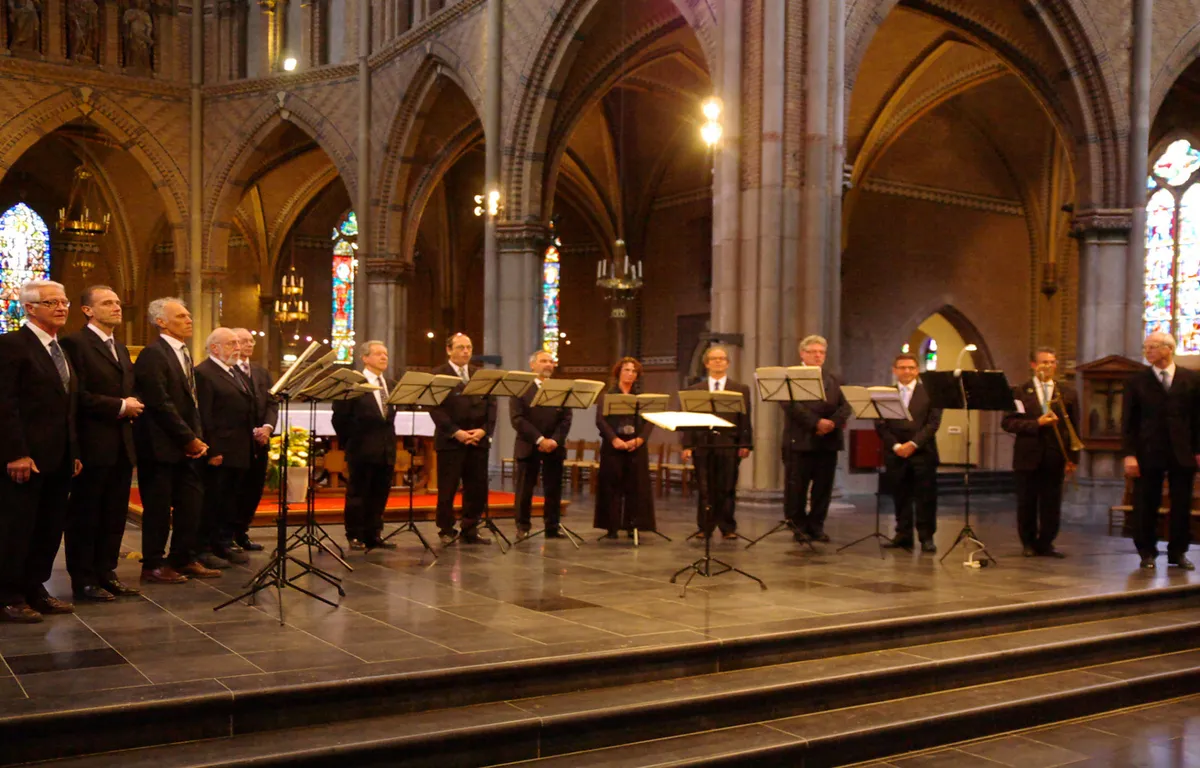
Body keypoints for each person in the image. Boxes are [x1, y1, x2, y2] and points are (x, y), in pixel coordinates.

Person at [0, 280, 80, 623]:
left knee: (48, 528)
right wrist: (16, 452)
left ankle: (35, 587)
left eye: (64, 302)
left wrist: (73, 450)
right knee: (17, 527)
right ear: (30, 308)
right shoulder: (11, 345)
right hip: (26, 458)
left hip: (58, 456)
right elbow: (5, 404)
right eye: (51, 303)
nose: (61, 307)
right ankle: (8, 594)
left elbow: (66, 406)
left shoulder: (60, 349)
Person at [60, 286, 143, 602]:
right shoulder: (75, 343)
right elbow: (76, 396)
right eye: (107, 303)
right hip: (92, 442)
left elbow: (131, 387)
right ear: (87, 310)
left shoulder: (120, 347)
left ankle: (107, 573)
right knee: (86, 514)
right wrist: (121, 406)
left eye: (119, 303)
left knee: (113, 514)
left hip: (121, 443)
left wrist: (133, 403)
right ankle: (83, 580)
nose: (117, 307)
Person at [134, 297, 218, 583]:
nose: (189, 319)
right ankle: (153, 564)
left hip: (186, 445)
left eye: (189, 314)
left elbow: (190, 401)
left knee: (191, 504)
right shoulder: (153, 354)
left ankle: (183, 558)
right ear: (161, 322)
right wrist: (187, 438)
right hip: (160, 445)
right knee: (158, 508)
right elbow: (160, 402)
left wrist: (197, 438)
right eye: (181, 316)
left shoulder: (184, 353)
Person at [1122, 331, 1200, 571]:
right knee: (1146, 502)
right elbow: (1129, 421)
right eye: (1146, 347)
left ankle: (1178, 552)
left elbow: (1197, 419)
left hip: (1182, 450)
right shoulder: (1137, 381)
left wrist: (1198, 450)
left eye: (1153, 347)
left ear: (1169, 349)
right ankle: (1146, 552)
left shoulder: (1191, 379)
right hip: (1148, 450)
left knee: (1181, 503)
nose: (1148, 351)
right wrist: (1130, 454)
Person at [1001, 347, 1079, 558]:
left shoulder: (1067, 392)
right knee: (1027, 501)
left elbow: (1074, 428)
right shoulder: (1019, 392)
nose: (1048, 366)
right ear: (1033, 365)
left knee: (1051, 503)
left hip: (1055, 455)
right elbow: (1008, 423)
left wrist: (1073, 458)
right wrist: (1037, 423)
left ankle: (1046, 542)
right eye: (1043, 362)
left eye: (1052, 362)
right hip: (1027, 455)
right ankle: (1028, 542)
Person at [194, 327, 257, 567]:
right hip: (220, 450)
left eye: (237, 344)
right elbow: (205, 415)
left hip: (239, 448)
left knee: (230, 499)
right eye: (231, 344)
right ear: (214, 348)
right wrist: (213, 450)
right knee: (213, 499)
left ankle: (223, 542)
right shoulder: (204, 373)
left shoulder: (233, 371)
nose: (237, 348)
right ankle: (204, 547)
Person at [781, 335, 851, 542]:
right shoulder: (789, 377)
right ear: (802, 353)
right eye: (813, 352)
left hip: (828, 441)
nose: (818, 356)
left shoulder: (836, 378)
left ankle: (816, 526)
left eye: (821, 352)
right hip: (800, 439)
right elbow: (790, 405)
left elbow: (846, 405)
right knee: (797, 488)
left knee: (823, 488)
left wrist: (831, 423)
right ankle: (798, 526)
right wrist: (815, 422)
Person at [430, 333, 497, 545]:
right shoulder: (439, 374)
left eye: (468, 347)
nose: (466, 351)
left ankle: (470, 527)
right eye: (460, 347)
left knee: (477, 486)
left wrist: (484, 430)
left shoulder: (481, 374)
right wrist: (455, 431)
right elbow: (435, 408)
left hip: (477, 440)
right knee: (448, 487)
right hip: (451, 440)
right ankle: (446, 528)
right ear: (449, 350)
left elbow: (492, 406)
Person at [331, 340, 398, 551]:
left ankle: (373, 533)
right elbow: (339, 418)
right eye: (378, 353)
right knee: (359, 493)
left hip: (386, 448)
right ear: (365, 358)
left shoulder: (390, 383)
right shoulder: (353, 383)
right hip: (361, 447)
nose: (383, 357)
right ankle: (355, 534)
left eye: (385, 353)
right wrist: (351, 442)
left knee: (380, 493)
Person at [681, 345, 753, 539]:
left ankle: (727, 527)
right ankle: (705, 526)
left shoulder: (740, 389)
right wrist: (687, 445)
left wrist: (746, 444)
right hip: (703, 443)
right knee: (704, 487)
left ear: (728, 363)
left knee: (727, 486)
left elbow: (745, 419)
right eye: (714, 359)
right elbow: (689, 420)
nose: (718, 362)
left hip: (729, 443)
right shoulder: (695, 390)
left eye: (722, 359)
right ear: (706, 364)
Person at [876, 352, 942, 553]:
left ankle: (926, 537)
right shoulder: (885, 393)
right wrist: (897, 446)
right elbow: (880, 424)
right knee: (900, 495)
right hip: (896, 454)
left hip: (923, 452)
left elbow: (933, 423)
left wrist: (913, 444)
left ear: (917, 370)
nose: (907, 371)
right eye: (902, 367)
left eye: (911, 368)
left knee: (925, 497)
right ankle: (903, 534)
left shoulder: (931, 392)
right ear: (894, 370)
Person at [511, 350, 572, 540]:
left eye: (551, 361)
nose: (548, 364)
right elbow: (517, 419)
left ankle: (552, 526)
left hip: (554, 447)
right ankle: (523, 526)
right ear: (532, 365)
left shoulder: (561, 388)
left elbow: (566, 418)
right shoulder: (520, 388)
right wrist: (539, 439)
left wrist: (554, 440)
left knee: (553, 488)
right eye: (543, 361)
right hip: (529, 445)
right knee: (525, 489)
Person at [594, 357, 657, 537]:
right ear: (619, 373)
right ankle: (611, 527)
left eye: (633, 371)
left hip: (636, 444)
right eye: (626, 370)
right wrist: (614, 439)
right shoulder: (607, 395)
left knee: (635, 486)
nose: (630, 374)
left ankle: (633, 525)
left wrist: (640, 439)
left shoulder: (642, 397)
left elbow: (649, 421)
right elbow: (600, 420)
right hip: (614, 445)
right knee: (611, 485)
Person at [230, 328, 276, 551]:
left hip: (261, 441)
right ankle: (227, 535)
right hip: (238, 440)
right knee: (235, 488)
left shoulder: (261, 372)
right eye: (243, 340)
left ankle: (242, 532)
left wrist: (267, 427)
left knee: (253, 489)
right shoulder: (227, 370)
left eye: (251, 340)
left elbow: (271, 403)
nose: (248, 344)